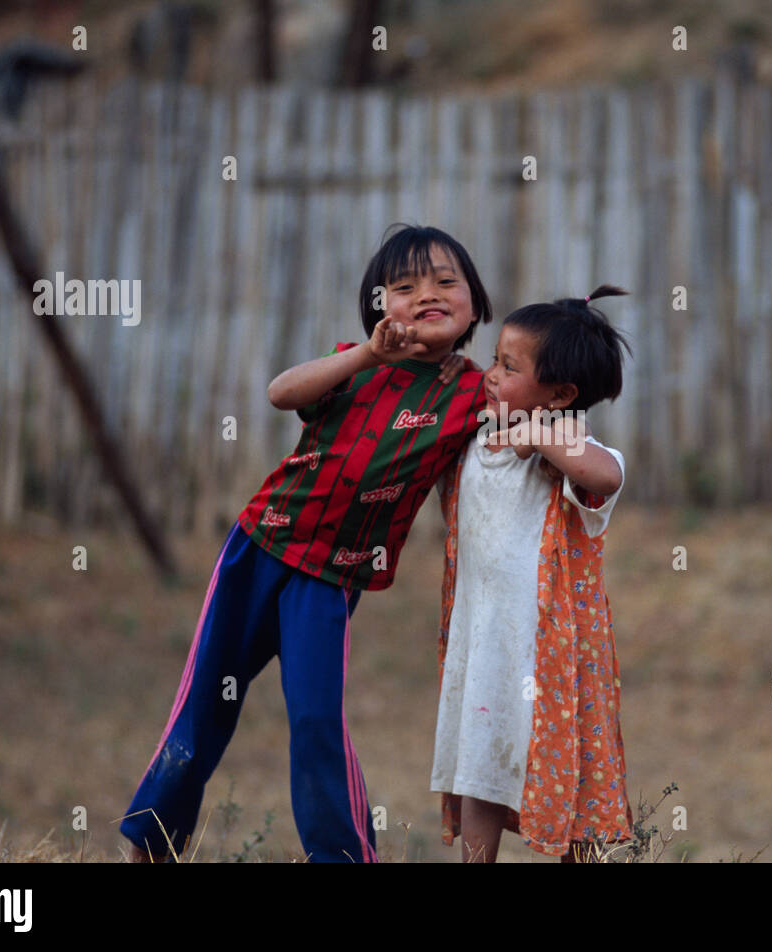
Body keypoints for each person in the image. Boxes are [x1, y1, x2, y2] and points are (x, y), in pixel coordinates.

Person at [120, 224, 491, 863]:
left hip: (331, 577)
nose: (427, 294)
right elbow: (280, 392)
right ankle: (154, 842)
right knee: (204, 701)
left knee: (318, 722)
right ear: (380, 310)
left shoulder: (473, 393)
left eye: (446, 282)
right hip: (258, 550)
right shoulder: (355, 366)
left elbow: (524, 415)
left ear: (475, 302)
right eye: (404, 287)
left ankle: (342, 857)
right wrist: (368, 356)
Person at [430, 286, 634, 862]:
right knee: (480, 767)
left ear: (560, 395)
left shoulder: (569, 457)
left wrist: (540, 434)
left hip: (549, 661)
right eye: (494, 359)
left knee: (568, 780)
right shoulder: (475, 440)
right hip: (484, 649)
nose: (491, 375)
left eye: (508, 366)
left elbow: (607, 475)